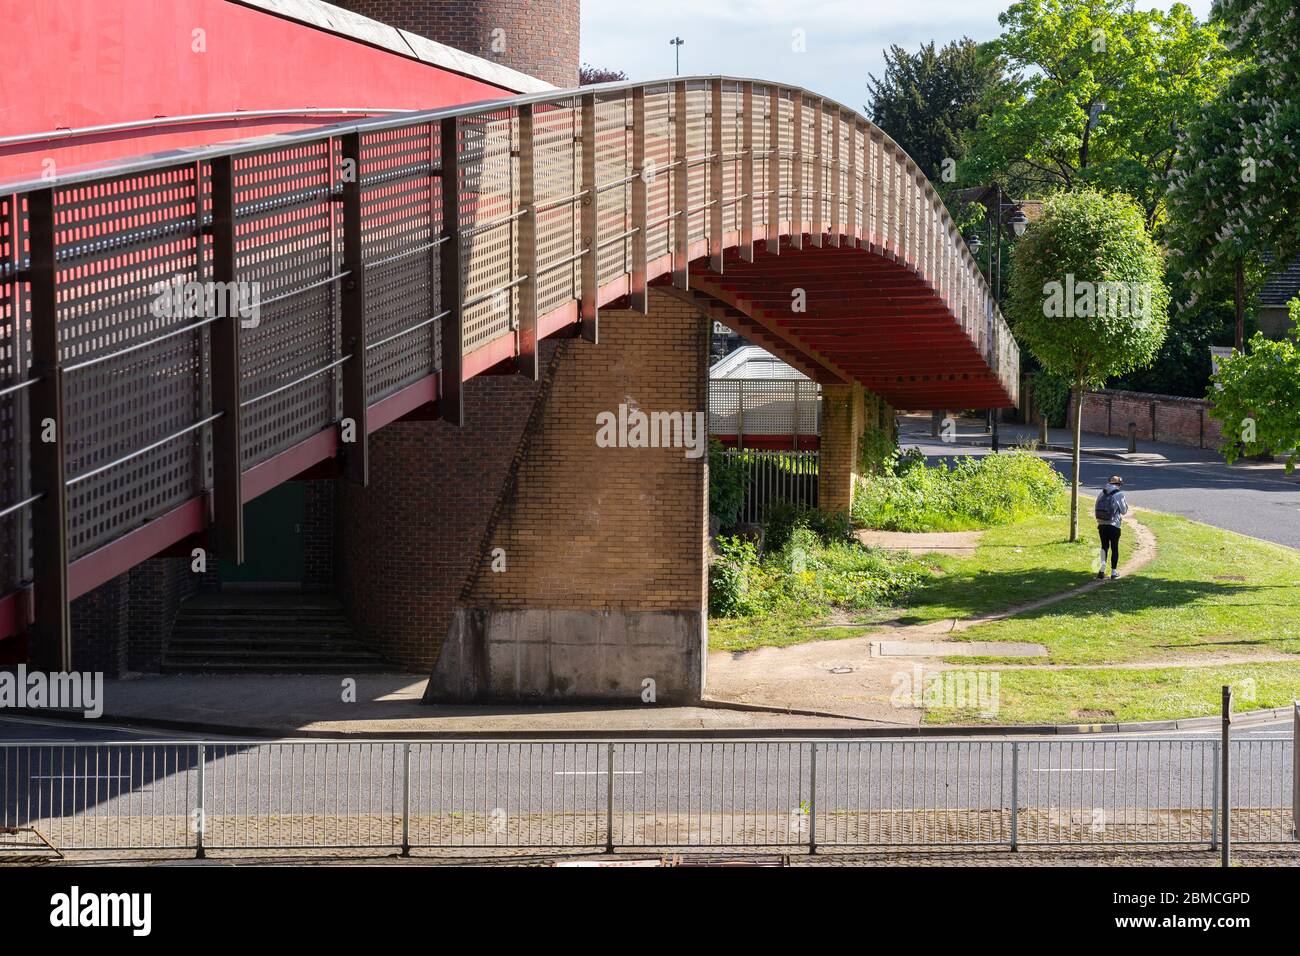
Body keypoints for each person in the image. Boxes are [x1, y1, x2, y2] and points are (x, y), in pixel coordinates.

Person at [1095, 475, 1128, 580]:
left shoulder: (1102, 493)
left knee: (1104, 547)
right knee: (1114, 548)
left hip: (1101, 524)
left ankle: (1102, 570)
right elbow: (1124, 511)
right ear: (1118, 484)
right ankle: (1114, 573)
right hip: (1114, 525)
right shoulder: (1119, 494)